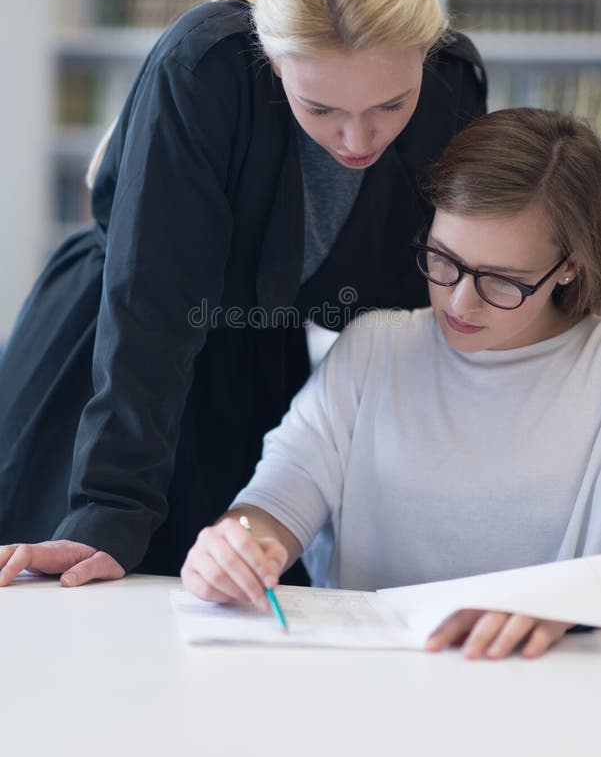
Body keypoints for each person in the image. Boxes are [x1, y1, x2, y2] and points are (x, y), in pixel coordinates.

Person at [0, 0, 486, 587]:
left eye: (389, 104)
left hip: (258, 353)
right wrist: (106, 511)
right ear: (268, 57)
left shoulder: (453, 82)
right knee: (82, 604)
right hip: (113, 362)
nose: (355, 139)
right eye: (319, 108)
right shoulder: (203, 64)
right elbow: (153, 302)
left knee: (233, 606)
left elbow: (411, 303)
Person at [180, 107, 601, 660]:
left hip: (543, 701)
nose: (459, 301)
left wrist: (558, 605)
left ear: (568, 266)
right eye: (443, 259)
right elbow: (276, 501)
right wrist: (235, 549)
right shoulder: (374, 349)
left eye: (502, 280)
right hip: (365, 693)